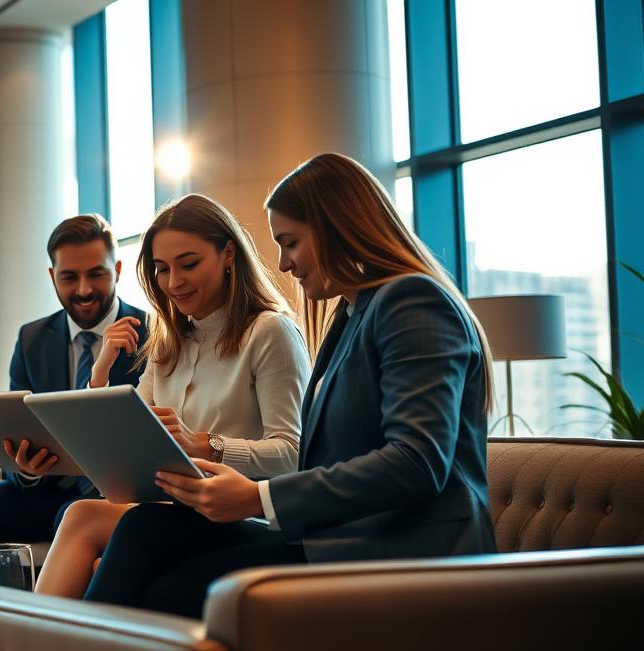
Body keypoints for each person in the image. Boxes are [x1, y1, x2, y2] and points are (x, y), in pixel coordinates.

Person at [82, 153, 498, 618]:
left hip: (405, 547)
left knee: (168, 590)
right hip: (343, 537)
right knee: (146, 530)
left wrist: (258, 496)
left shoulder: (412, 302)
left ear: (339, 227)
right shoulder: (350, 315)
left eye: (291, 242)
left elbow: (418, 461)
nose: (284, 263)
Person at [35, 194, 311, 598]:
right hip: (177, 507)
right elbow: (125, 438)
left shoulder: (269, 332)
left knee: (132, 527)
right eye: (162, 269)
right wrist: (99, 375)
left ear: (228, 254)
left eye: (189, 264)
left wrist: (206, 446)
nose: (173, 282)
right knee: (79, 513)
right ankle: (38, 650)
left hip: (241, 512)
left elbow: (294, 453)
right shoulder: (167, 340)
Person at [0, 214, 149, 546]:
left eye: (96, 274)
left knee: (73, 515)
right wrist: (26, 468)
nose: (84, 289)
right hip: (50, 491)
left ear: (116, 270)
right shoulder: (32, 339)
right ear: (52, 276)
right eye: (69, 277)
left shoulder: (151, 334)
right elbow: (14, 434)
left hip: (117, 497)